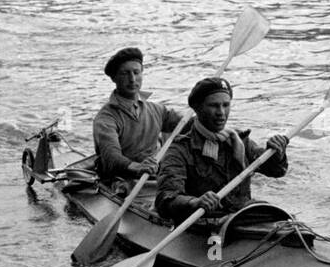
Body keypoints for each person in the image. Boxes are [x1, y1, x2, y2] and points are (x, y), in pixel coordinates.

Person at [155, 77, 289, 225]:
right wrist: (195, 202)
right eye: (214, 106)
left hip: (242, 216)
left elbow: (276, 171)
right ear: (197, 108)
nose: (221, 112)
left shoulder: (239, 141)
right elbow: (165, 200)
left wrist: (277, 153)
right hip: (203, 223)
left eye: (226, 105)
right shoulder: (179, 149)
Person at [92, 47, 184, 188]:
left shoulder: (157, 110)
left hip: (154, 176)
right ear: (114, 78)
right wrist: (136, 167)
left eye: (136, 72)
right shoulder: (106, 118)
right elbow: (111, 156)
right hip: (119, 180)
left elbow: (187, 124)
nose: (132, 79)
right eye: (125, 73)